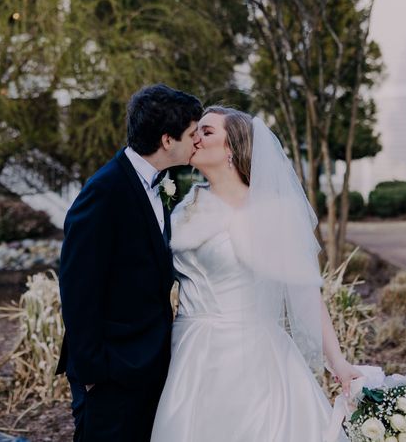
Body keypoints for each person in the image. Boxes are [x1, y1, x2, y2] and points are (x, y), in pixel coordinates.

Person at [150, 105, 362, 441]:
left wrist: (337, 361)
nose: (196, 138)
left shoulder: (270, 212)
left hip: (248, 356)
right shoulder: (185, 208)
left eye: (207, 132)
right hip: (187, 353)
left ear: (231, 148)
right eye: (195, 132)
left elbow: (305, 291)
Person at [57, 84, 202, 442]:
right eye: (192, 133)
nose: (198, 140)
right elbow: (78, 287)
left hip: (147, 362)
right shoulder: (104, 192)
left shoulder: (158, 183)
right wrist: (94, 373)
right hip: (112, 371)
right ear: (167, 141)